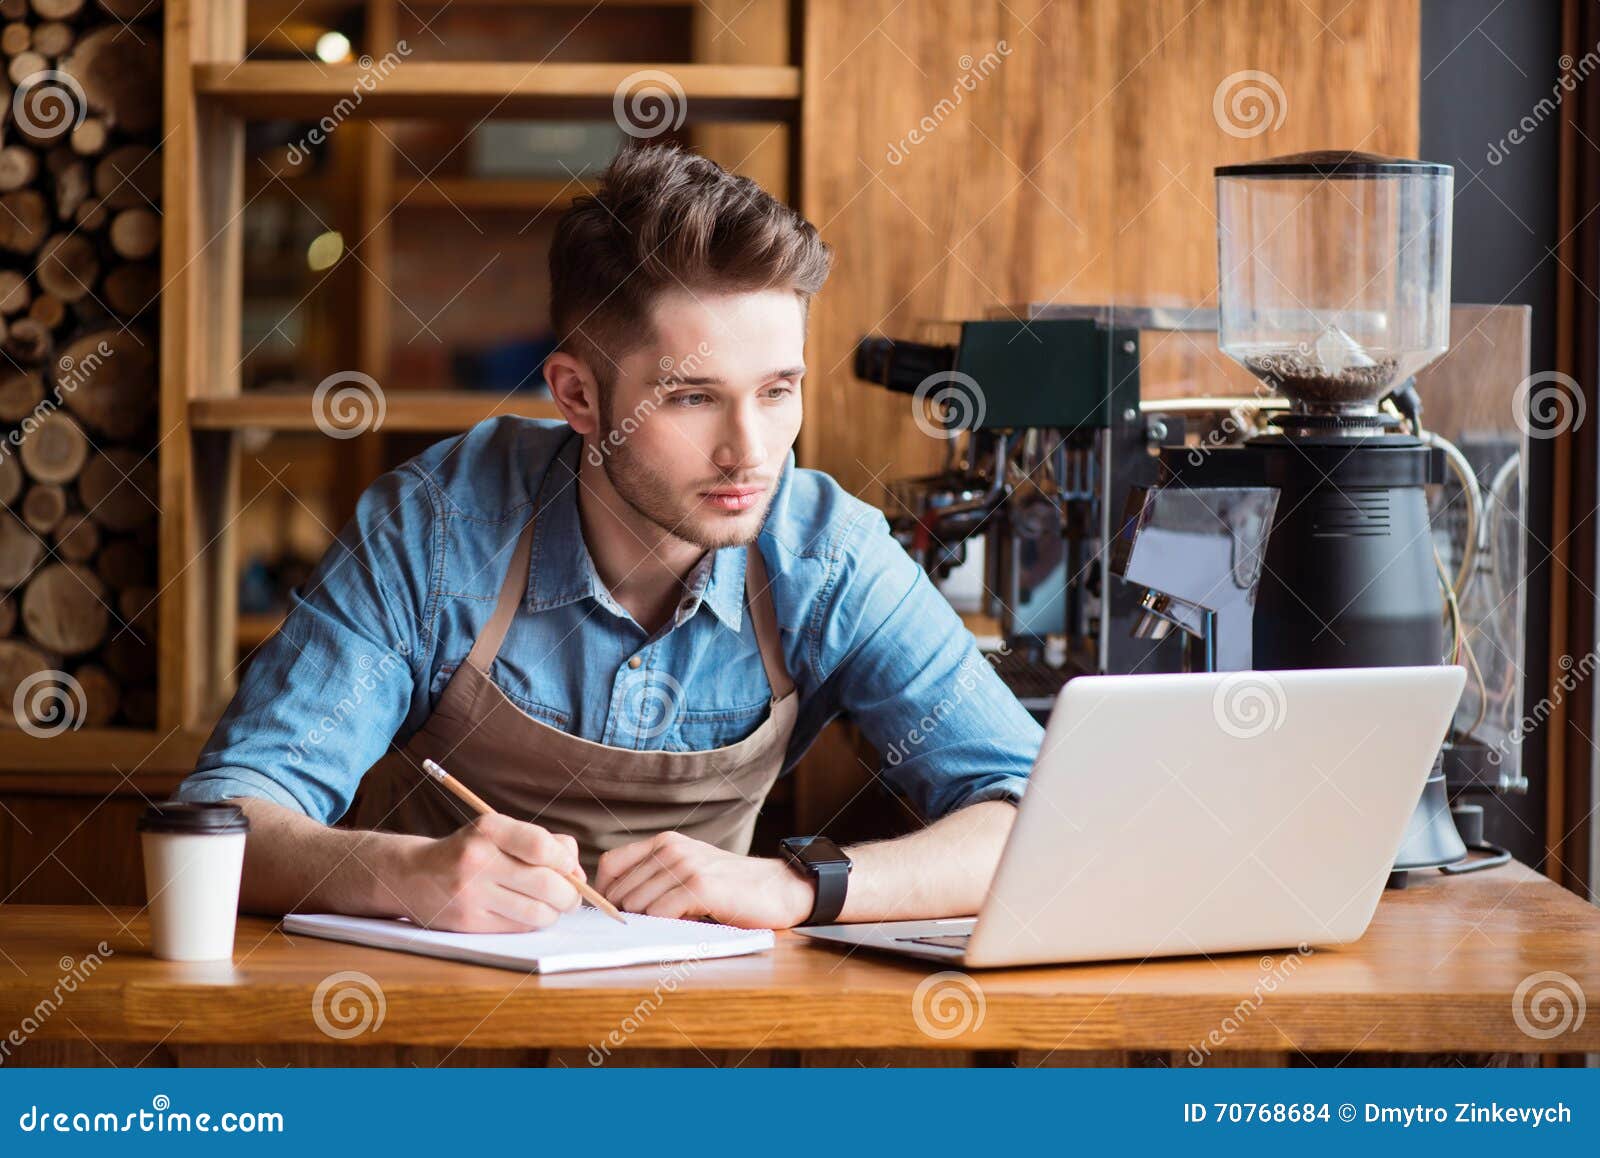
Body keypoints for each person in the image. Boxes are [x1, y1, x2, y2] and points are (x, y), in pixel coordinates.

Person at [176, 144, 1043, 932]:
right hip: (437, 1036)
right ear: (578, 397)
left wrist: (797, 886)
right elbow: (222, 818)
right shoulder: (436, 530)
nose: (751, 450)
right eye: (692, 397)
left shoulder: (829, 555)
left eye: (777, 391)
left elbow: (1038, 817)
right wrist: (399, 873)